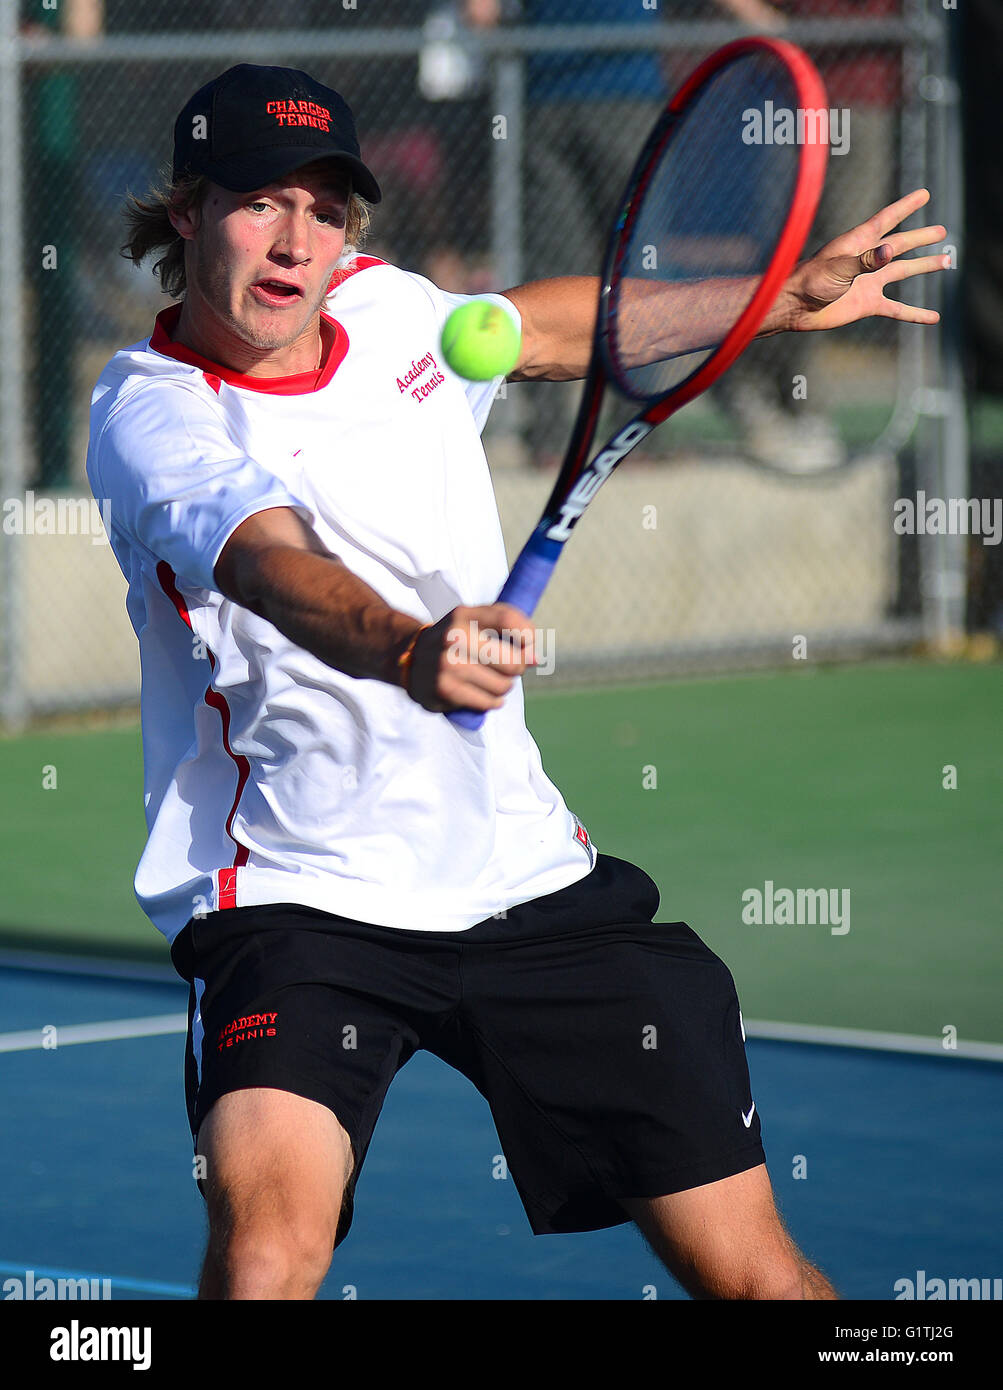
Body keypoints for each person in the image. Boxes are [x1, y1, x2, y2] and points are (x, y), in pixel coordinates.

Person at [88, 63, 947, 1300]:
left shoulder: (388, 314)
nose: (295, 242)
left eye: (325, 211)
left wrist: (767, 300)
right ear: (185, 211)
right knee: (271, 1253)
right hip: (298, 902)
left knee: (758, 1278)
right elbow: (267, 561)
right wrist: (408, 648)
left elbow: (552, 327)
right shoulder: (153, 413)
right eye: (258, 202)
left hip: (525, 881)